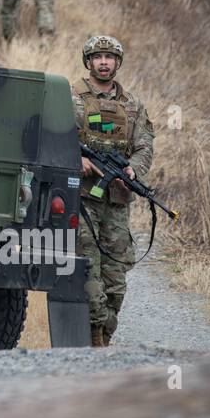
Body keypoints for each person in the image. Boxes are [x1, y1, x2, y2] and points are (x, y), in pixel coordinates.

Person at [73, 34, 154, 347]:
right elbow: (56, 135)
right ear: (89, 62)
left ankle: (105, 332)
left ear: (117, 63)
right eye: (97, 57)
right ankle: (94, 337)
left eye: (109, 57)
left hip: (117, 201)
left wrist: (133, 169)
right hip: (83, 198)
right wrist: (77, 157)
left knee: (116, 278)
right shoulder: (72, 98)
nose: (103, 62)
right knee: (88, 268)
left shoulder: (132, 106)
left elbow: (144, 145)